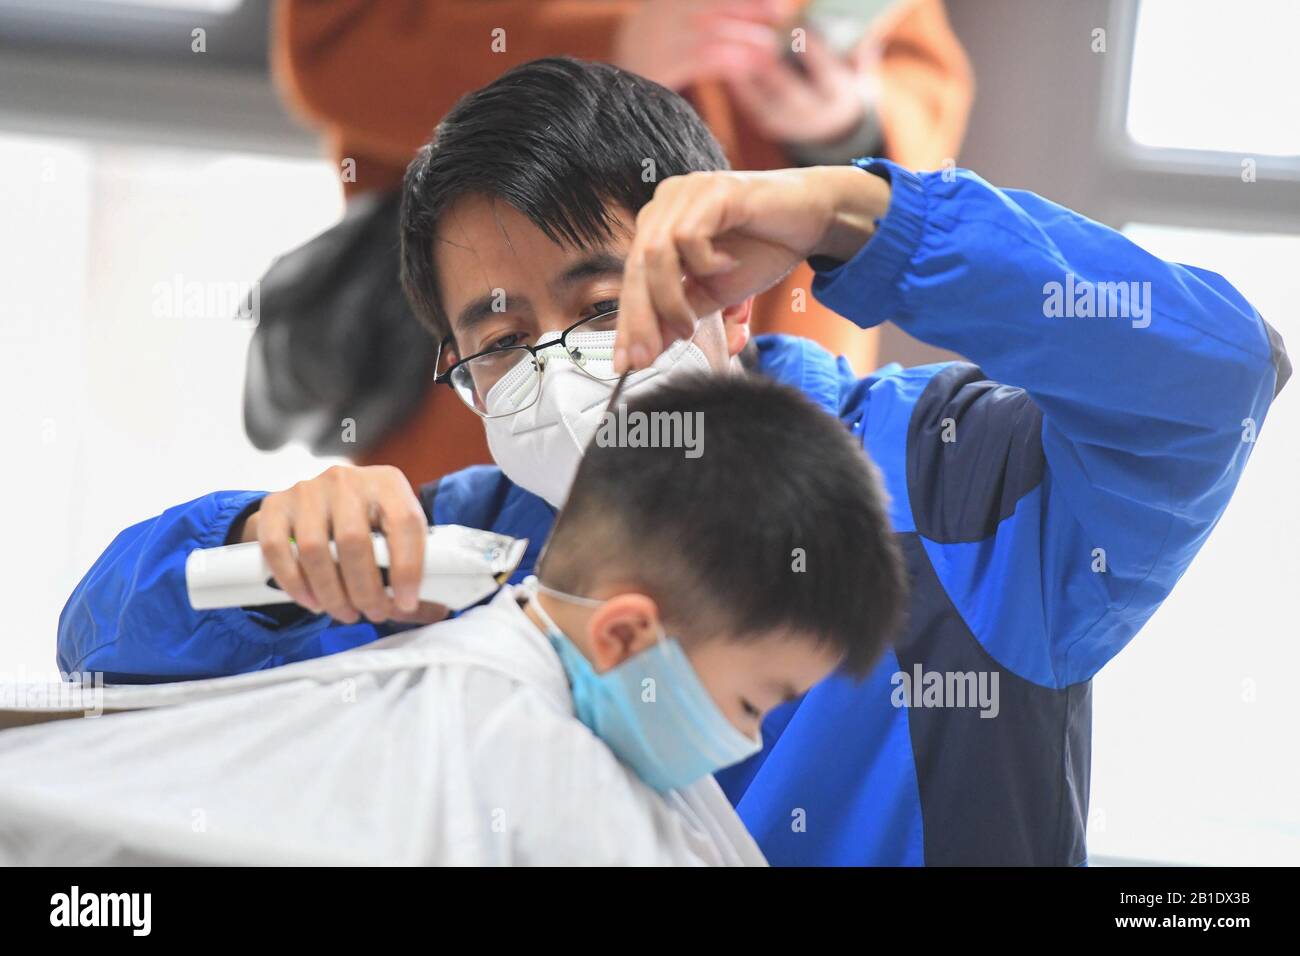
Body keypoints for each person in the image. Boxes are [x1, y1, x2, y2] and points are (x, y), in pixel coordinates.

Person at [60, 58, 1289, 866]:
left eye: (599, 300)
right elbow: (101, 642)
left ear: (725, 292)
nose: (555, 361)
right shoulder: (456, 558)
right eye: (496, 336)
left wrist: (861, 216)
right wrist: (252, 548)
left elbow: (1211, 374)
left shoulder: (950, 485)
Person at [4, 377, 903, 866]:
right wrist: (257, 546)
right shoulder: (448, 623)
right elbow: (107, 640)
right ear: (625, 635)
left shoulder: (537, 690)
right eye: (752, 705)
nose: (745, 741)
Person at [272, 0, 973, 484]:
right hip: (492, 350)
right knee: (492, 625)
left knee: (763, 632)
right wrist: (609, 46)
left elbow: (917, 73)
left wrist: (846, 120)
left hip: (773, 340)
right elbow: (333, 47)